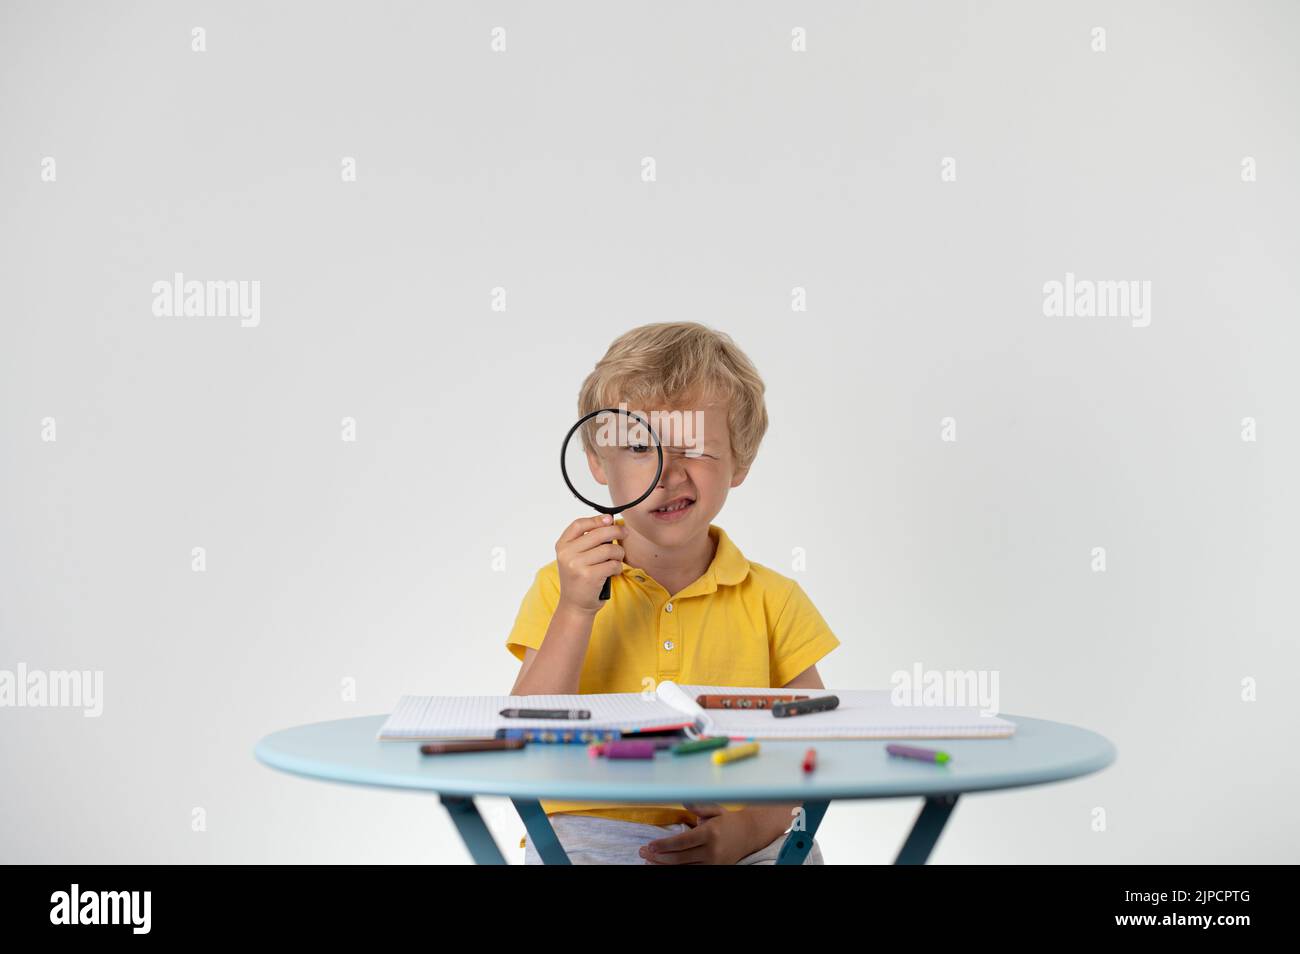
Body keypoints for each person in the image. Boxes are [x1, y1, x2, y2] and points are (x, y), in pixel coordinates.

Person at [507, 321, 839, 864]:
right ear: (596, 461)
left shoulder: (774, 600)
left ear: (741, 462)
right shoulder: (561, 586)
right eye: (640, 447)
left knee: (799, 853)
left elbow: (812, 754)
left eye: (696, 450)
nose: (668, 474)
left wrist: (748, 828)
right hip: (588, 830)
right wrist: (575, 608)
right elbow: (521, 739)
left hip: (739, 831)